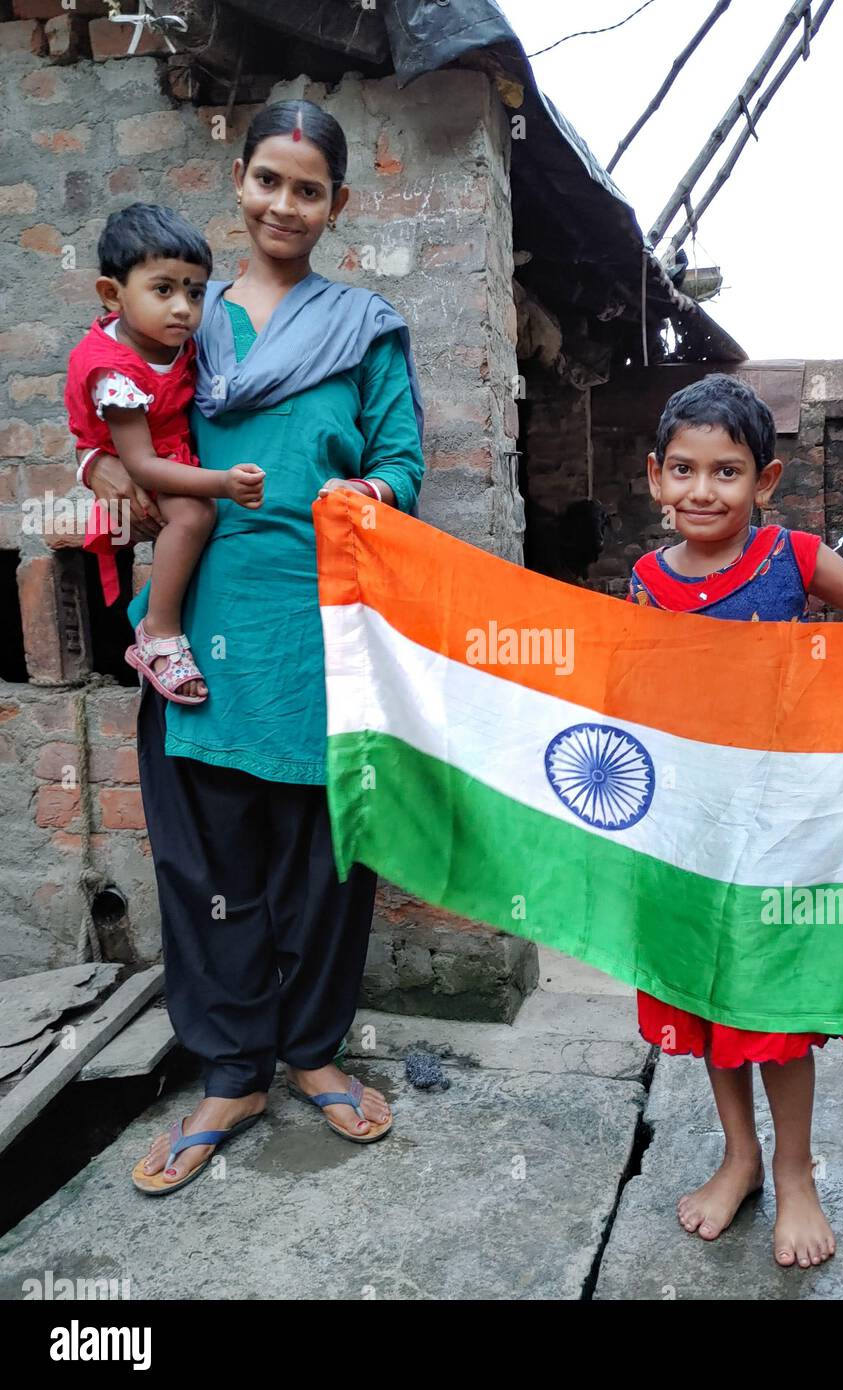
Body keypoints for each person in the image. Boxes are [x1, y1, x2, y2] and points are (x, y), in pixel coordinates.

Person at [80, 98, 425, 1193]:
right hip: (198, 632)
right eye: (267, 179)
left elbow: (404, 463)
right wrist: (107, 488)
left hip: (320, 625)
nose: (284, 203)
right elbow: (102, 425)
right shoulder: (183, 315)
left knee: (326, 859)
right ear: (239, 181)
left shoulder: (364, 328)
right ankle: (231, 1069)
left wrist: (370, 489)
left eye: (307, 187)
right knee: (208, 864)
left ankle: (312, 1051)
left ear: (335, 202)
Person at [628, 374, 843, 1267]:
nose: (703, 491)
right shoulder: (642, 582)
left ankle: (795, 1174)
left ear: (767, 481)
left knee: (774, 1013)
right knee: (711, 1007)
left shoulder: (793, 558)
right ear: (655, 478)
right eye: (684, 470)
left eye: (727, 472)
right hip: (690, 838)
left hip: (785, 839)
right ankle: (738, 1157)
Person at [65, 203, 265, 705]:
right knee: (194, 514)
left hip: (164, 451)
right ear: (113, 295)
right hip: (137, 460)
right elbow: (140, 464)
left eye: (194, 293)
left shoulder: (173, 337)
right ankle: (159, 631)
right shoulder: (115, 372)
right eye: (163, 290)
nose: (183, 308)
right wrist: (222, 484)